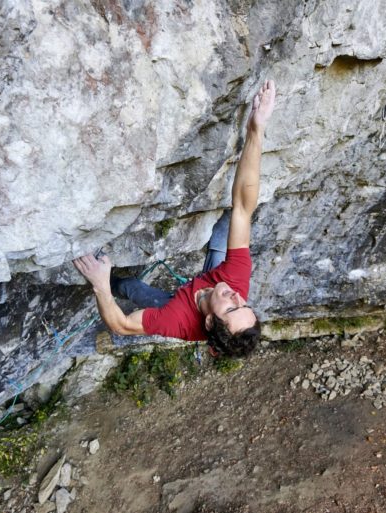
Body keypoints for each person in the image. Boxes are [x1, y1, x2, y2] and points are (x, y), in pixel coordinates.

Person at [73, 79, 276, 357]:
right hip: (210, 284)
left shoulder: (175, 320)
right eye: (244, 305)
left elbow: (121, 325)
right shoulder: (235, 282)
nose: (237, 296)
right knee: (232, 221)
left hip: (183, 303)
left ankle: (110, 282)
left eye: (231, 307)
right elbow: (243, 205)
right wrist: (257, 128)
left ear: (208, 321)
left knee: (132, 288)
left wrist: (99, 285)